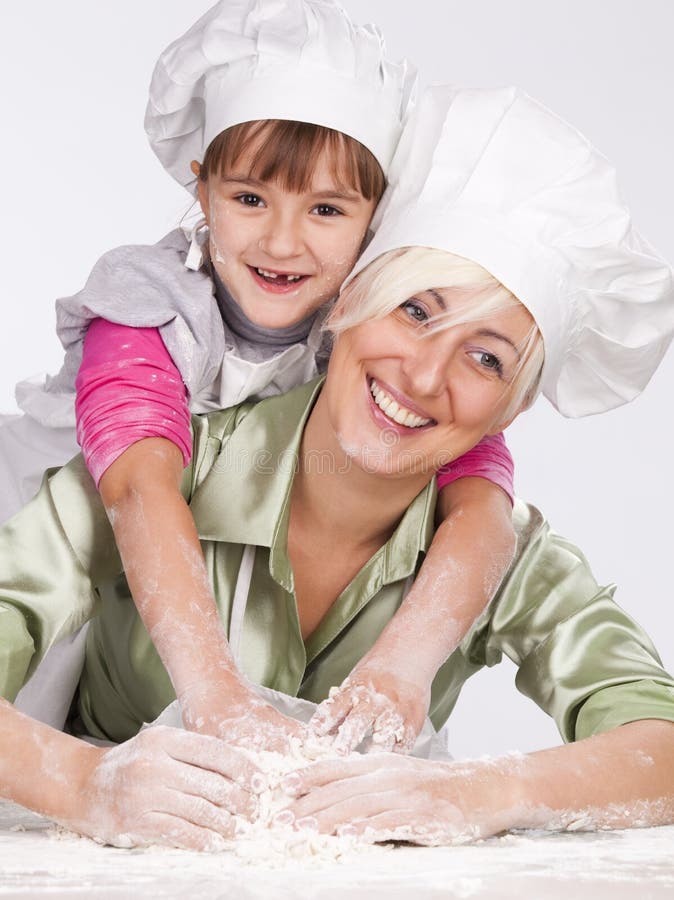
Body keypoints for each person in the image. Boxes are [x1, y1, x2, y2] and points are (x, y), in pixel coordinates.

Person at [1, 84, 673, 850]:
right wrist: (87, 787)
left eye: (485, 358)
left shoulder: (506, 559)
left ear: (513, 409)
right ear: (349, 298)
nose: (423, 378)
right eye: (414, 311)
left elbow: (662, 748)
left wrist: (480, 793)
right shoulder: (165, 475)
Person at [6, 0, 518, 755]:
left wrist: (402, 668)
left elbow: (480, 507)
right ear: (201, 188)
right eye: (249, 198)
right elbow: (136, 488)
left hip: (227, 575)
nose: (282, 240)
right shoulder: (148, 300)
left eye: (326, 209)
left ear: (378, 218)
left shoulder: (376, 334)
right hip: (81, 545)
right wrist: (213, 693)